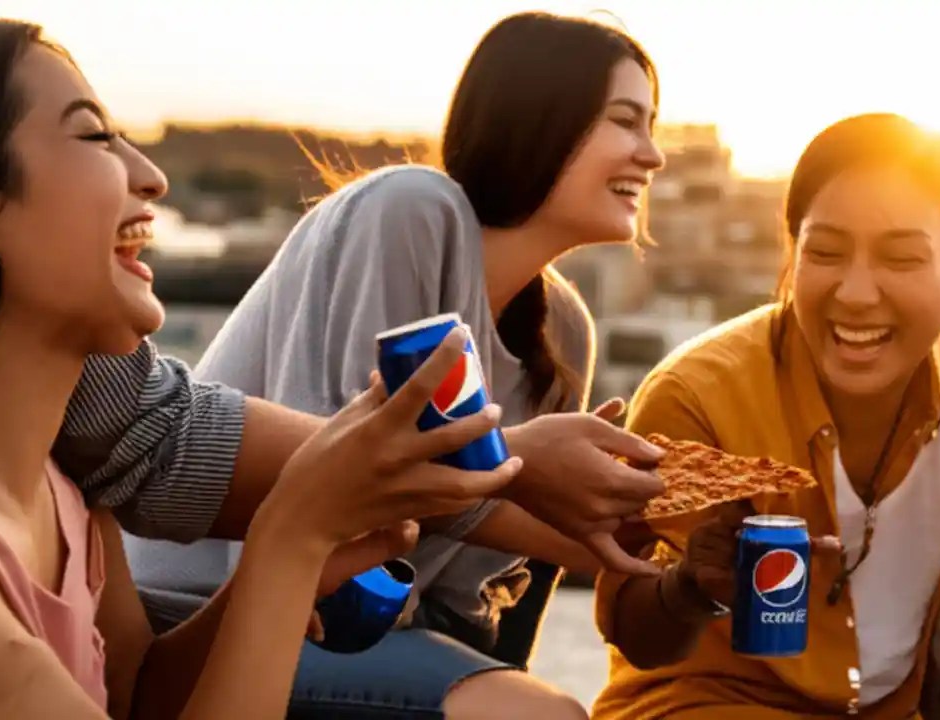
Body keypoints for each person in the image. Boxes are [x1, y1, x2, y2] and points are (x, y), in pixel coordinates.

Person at [0, 16, 523, 717]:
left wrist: (273, 572)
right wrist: (292, 536)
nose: (151, 176)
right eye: (95, 136)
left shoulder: (65, 490)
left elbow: (137, 700)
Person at [126, 11, 667, 719]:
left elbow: (499, 584)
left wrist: (640, 536)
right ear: (543, 118)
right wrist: (532, 478)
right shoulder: (412, 211)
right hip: (216, 623)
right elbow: (342, 489)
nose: (653, 155)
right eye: (627, 121)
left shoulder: (565, 334)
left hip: (394, 640)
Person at [590, 113, 940, 719]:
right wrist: (688, 588)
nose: (856, 292)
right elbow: (635, 631)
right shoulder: (697, 397)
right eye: (825, 251)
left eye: (900, 259)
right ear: (792, 250)